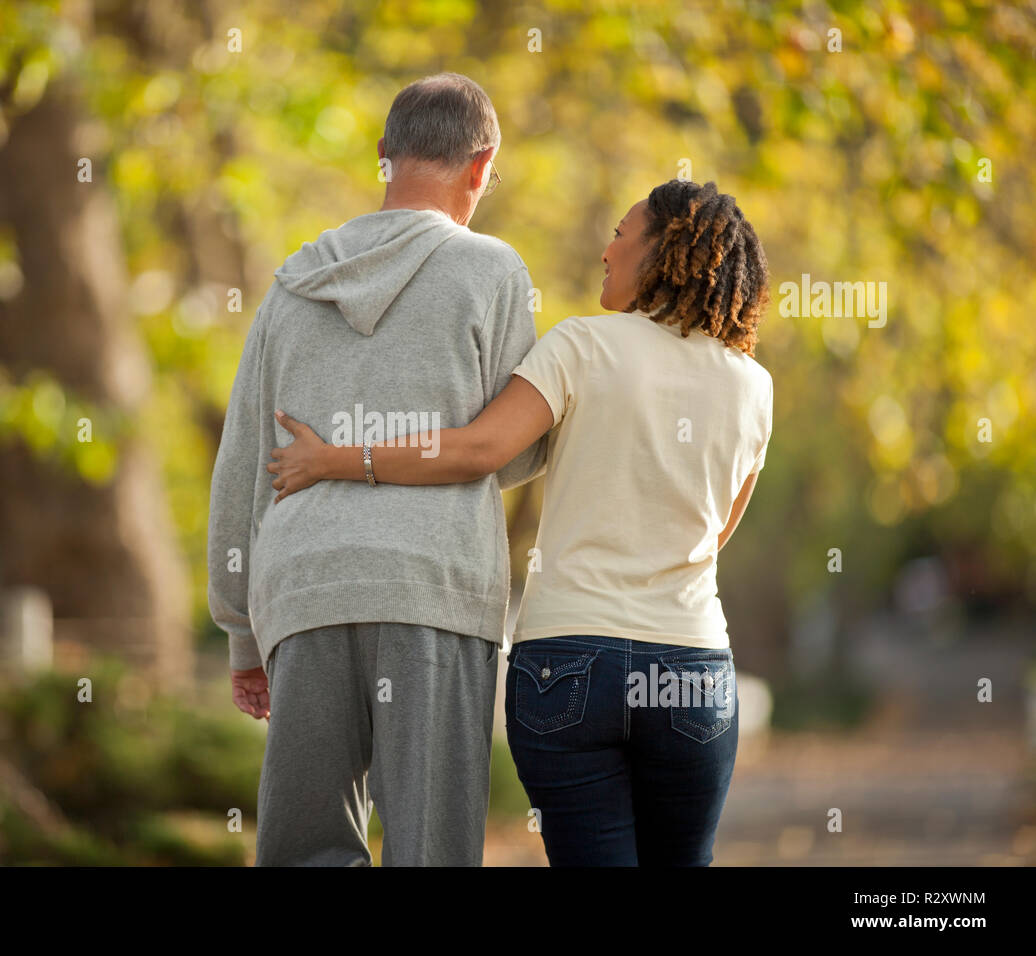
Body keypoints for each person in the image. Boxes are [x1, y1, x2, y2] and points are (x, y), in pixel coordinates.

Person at [268, 179, 773, 866]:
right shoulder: (752, 386)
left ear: (662, 252)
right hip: (689, 668)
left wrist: (336, 458)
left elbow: (477, 449)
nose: (607, 248)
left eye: (622, 234)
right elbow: (717, 532)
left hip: (569, 666)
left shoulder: (582, 346)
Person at [206, 73, 546, 866]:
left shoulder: (292, 285)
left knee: (303, 848)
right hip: (434, 588)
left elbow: (241, 468)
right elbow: (513, 444)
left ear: (385, 156)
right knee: (432, 844)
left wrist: (239, 631)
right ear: (481, 163)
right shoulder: (492, 271)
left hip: (304, 588)